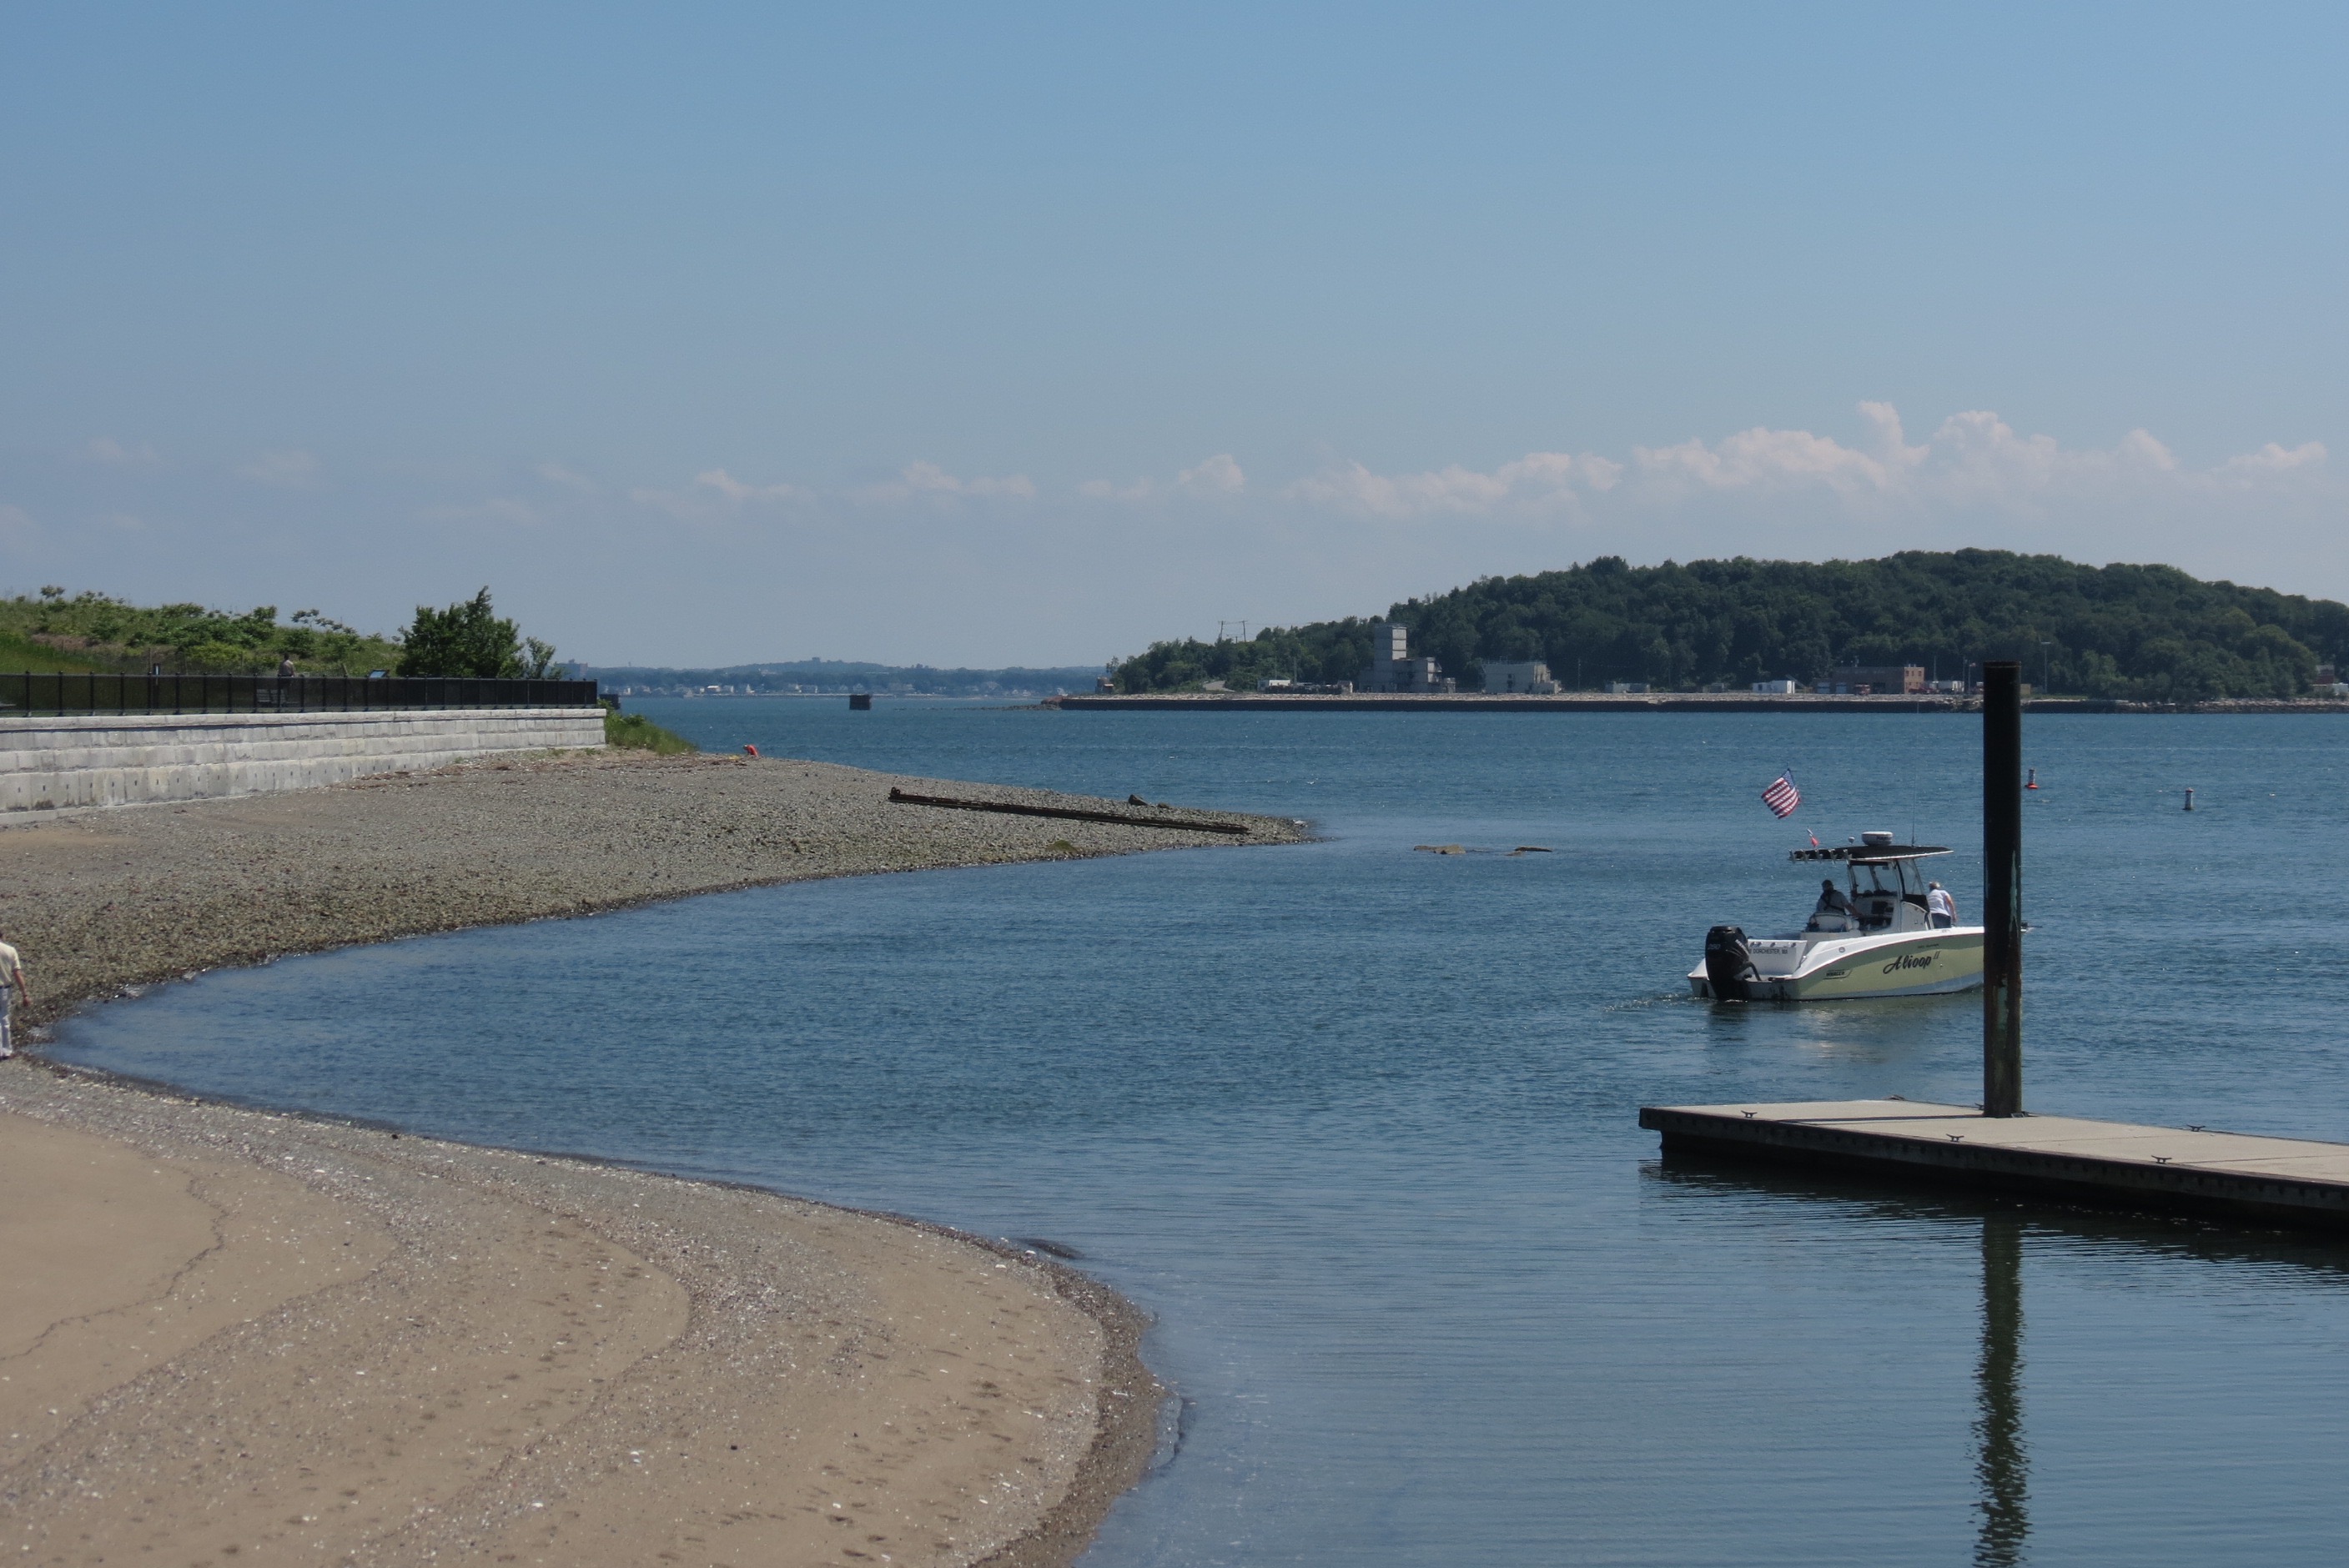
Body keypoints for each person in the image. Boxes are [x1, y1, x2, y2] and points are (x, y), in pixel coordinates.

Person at [0, 931, 29, 1059]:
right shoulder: (10, 950)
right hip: (4, 989)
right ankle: (6, 1050)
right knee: (4, 1018)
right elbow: (17, 973)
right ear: (2, 936)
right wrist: (24, 994)